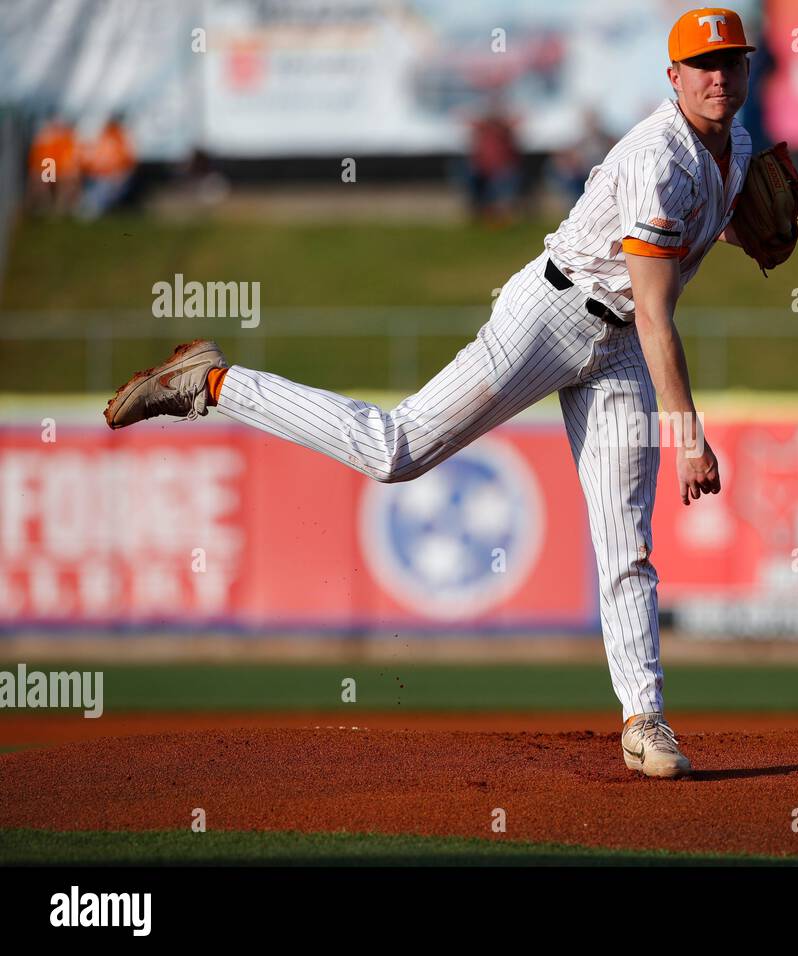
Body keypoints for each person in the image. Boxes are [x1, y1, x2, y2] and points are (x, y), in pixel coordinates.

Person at [103, 7, 759, 780]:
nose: (719, 76)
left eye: (732, 62)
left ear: (747, 72)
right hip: (554, 312)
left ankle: (645, 721)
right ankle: (212, 382)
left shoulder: (738, 147)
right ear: (673, 76)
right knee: (396, 449)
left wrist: (753, 230)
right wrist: (688, 433)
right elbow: (655, 310)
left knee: (626, 541)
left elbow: (700, 235)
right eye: (702, 64)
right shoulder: (659, 153)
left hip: (615, 345)